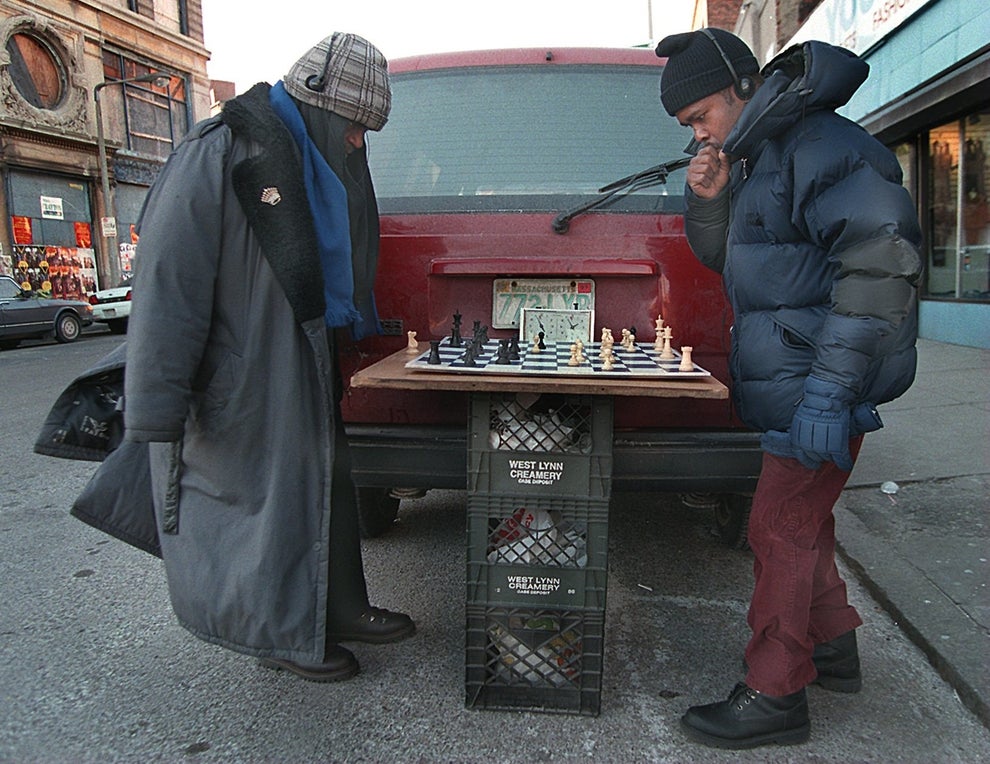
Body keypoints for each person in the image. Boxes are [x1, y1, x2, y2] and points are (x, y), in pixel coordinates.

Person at [654, 29, 922, 749]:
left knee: (778, 526)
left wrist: (830, 394)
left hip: (823, 383)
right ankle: (831, 645)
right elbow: (738, 261)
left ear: (743, 83)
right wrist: (709, 198)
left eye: (701, 114)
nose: (698, 133)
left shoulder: (823, 146)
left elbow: (882, 267)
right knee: (805, 519)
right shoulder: (762, 153)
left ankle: (775, 692)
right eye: (687, 128)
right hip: (803, 379)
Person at [123, 33, 414, 683]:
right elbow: (168, 281)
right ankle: (281, 632)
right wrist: (154, 404)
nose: (358, 143)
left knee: (322, 484)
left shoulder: (309, 154)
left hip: (303, 353)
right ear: (319, 106)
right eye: (354, 126)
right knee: (268, 502)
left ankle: (338, 607)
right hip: (244, 368)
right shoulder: (220, 149)